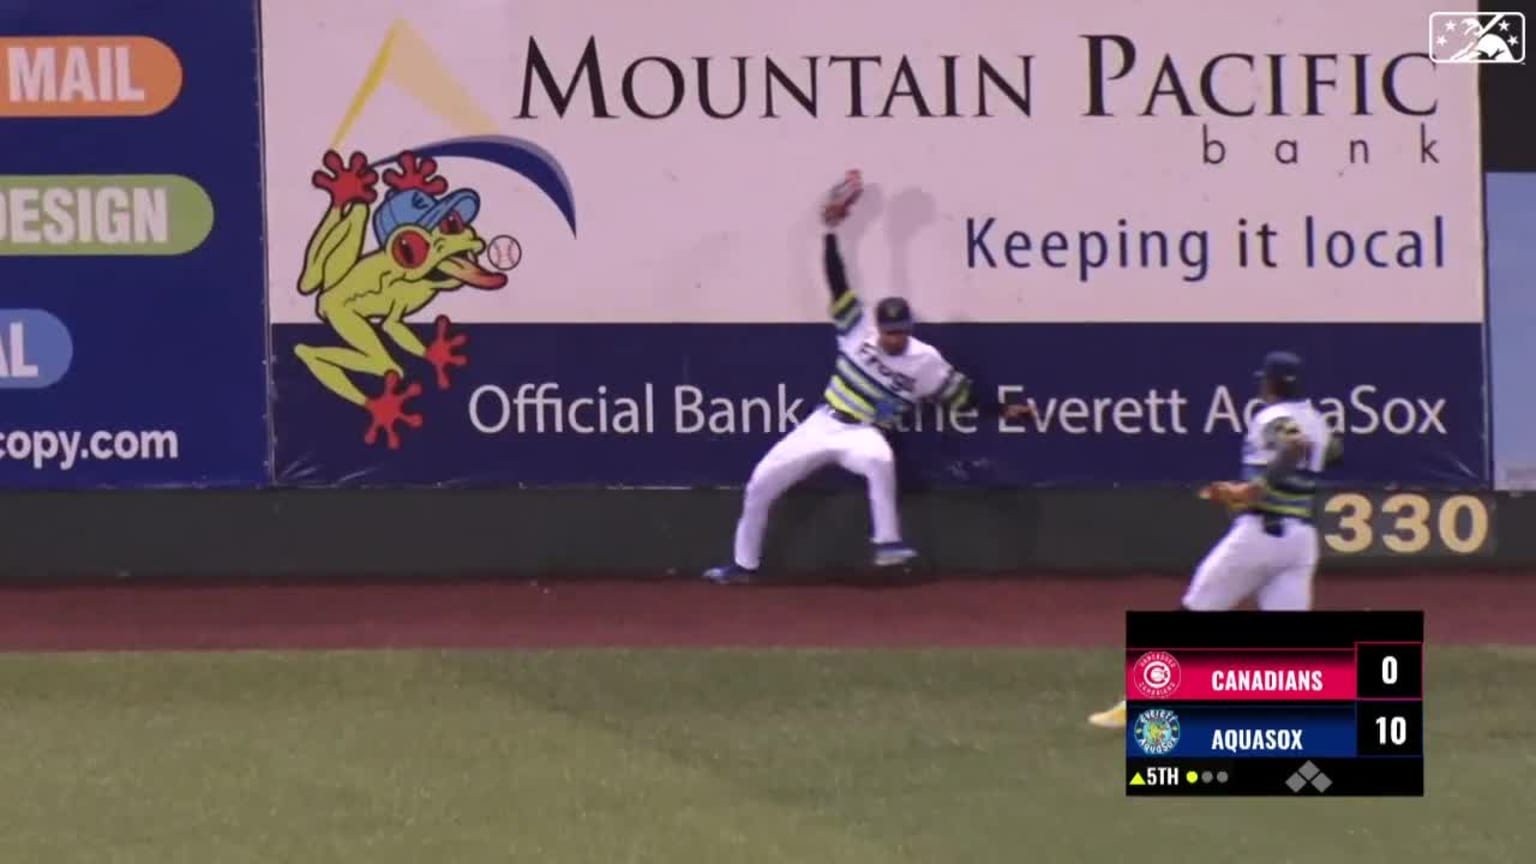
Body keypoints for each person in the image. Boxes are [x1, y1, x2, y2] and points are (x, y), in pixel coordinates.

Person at [704, 170, 1032, 584]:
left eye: (902, 331)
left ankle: (888, 544)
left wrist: (1005, 409)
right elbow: (837, 282)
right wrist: (830, 234)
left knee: (879, 460)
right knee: (759, 485)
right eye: (890, 331)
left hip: (863, 431)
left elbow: (964, 398)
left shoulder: (926, 361)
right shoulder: (858, 331)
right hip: (823, 423)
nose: (896, 338)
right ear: (879, 326)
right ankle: (743, 566)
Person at [1088, 350, 1341, 727]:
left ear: (1271, 383)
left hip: (1261, 535)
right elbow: (1332, 450)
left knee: (1195, 610)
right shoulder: (1318, 420)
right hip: (1301, 539)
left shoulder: (1274, 416)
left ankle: (1139, 702)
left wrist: (1253, 487)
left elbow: (1294, 444)